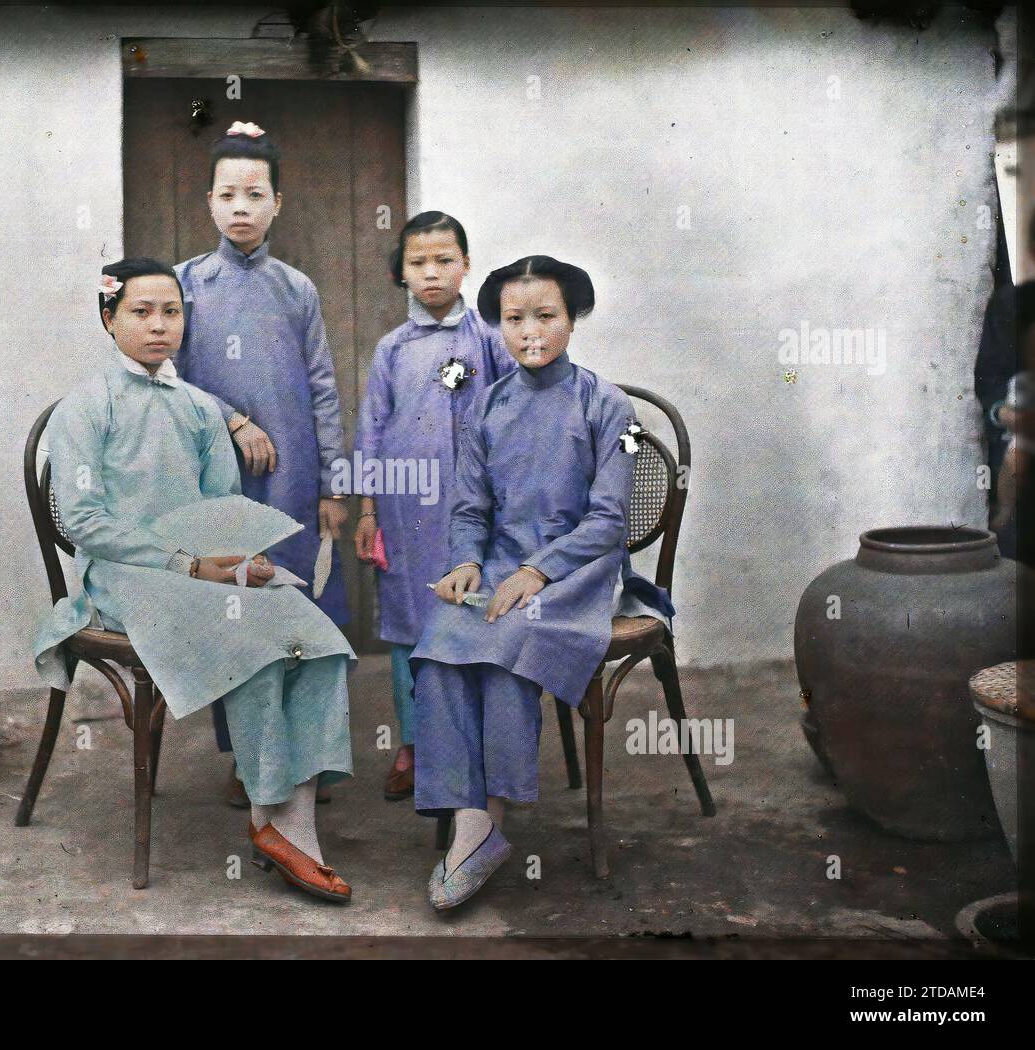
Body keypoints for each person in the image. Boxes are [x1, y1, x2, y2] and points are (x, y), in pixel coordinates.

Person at [33, 257, 355, 903]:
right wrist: (186, 565)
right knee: (254, 641)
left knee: (315, 636)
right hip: (125, 578)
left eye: (171, 312)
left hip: (198, 574)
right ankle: (277, 825)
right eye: (141, 312)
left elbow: (219, 507)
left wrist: (237, 560)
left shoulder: (199, 409)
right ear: (109, 318)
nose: (159, 326)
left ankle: (290, 820)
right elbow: (85, 520)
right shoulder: (86, 408)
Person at [410, 255, 675, 911]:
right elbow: (470, 508)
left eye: (546, 317)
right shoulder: (488, 406)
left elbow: (610, 521)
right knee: (440, 644)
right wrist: (467, 561)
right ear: (498, 324)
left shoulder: (606, 406)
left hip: (575, 574)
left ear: (571, 319)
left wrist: (537, 571)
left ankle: (483, 826)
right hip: (499, 566)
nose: (531, 332)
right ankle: (472, 819)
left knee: (505, 645)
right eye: (514, 319)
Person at [174, 121, 350, 803]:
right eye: (228, 194)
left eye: (256, 193)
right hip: (222, 479)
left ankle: (306, 759)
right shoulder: (187, 285)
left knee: (300, 607)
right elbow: (170, 381)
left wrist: (334, 482)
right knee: (236, 609)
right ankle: (248, 758)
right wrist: (233, 419)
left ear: (278, 202)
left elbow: (324, 385)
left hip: (295, 475)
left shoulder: (296, 289)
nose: (241, 207)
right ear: (209, 202)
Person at [352, 211, 514, 800]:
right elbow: (371, 429)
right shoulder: (393, 348)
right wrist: (368, 509)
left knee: (467, 614)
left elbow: (512, 419)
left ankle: (468, 748)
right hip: (402, 508)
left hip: (470, 507)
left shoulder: (492, 341)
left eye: (445, 260)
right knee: (408, 624)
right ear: (402, 273)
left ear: (466, 265)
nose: (432, 272)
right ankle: (414, 744)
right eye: (418, 262)